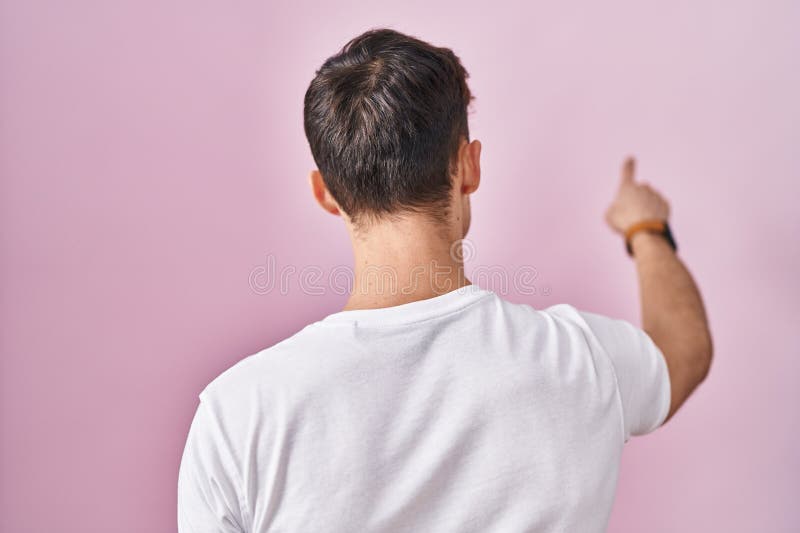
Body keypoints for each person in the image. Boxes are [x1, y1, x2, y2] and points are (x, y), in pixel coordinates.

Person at [177, 27, 713, 532]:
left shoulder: (236, 415)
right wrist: (645, 226)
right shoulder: (584, 359)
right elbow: (685, 349)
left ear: (325, 192)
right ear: (469, 166)